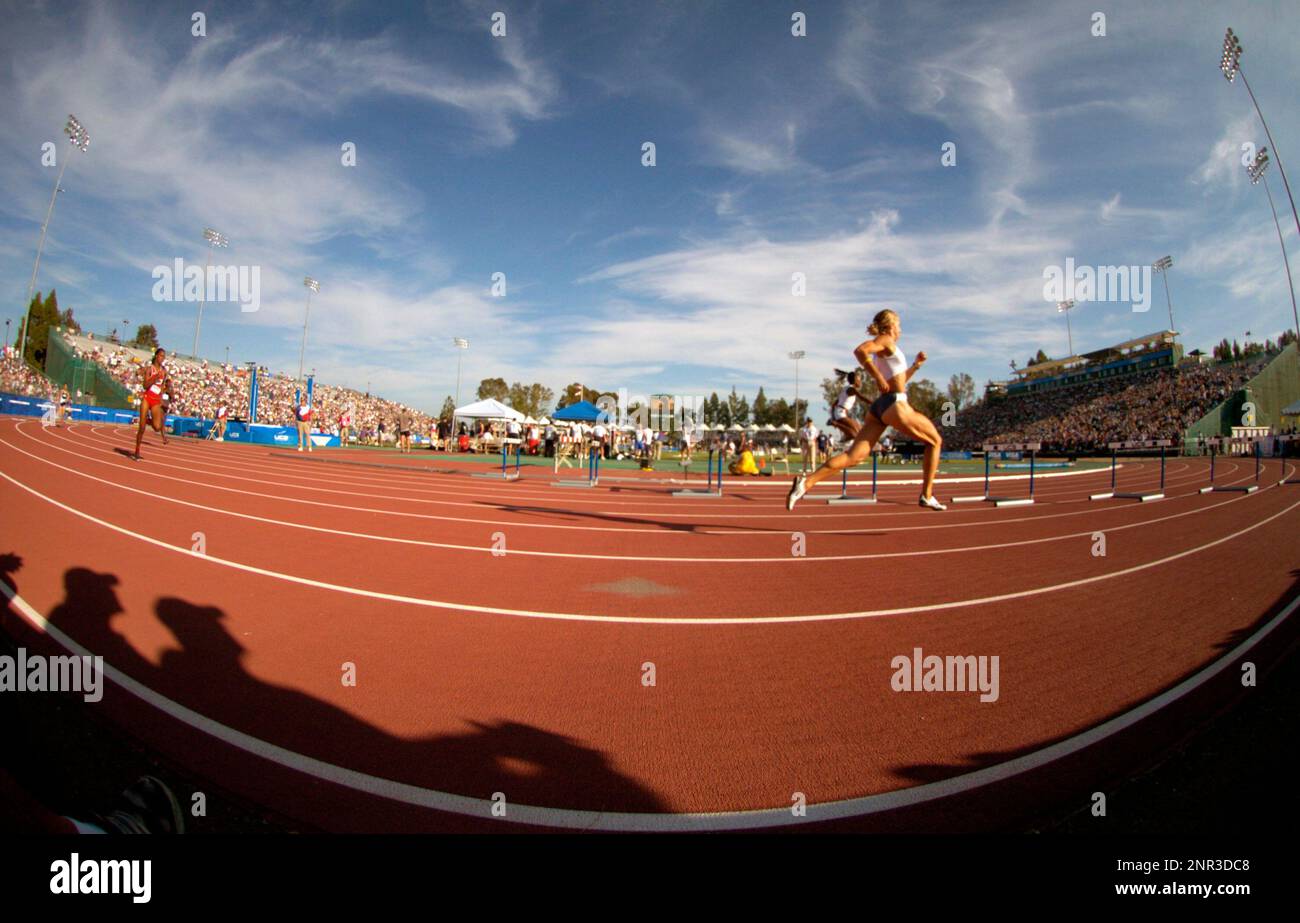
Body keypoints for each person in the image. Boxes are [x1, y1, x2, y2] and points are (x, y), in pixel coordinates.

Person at [788, 308, 947, 511]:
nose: (901, 330)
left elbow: (898, 381)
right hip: (895, 404)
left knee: (854, 457)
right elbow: (860, 351)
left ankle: (805, 483)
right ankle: (927, 495)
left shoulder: (887, 349)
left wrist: (915, 366)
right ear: (890, 326)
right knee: (935, 441)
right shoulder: (886, 340)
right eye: (899, 325)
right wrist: (877, 377)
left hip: (880, 407)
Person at [132, 348, 171, 461]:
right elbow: (145, 385)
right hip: (147, 398)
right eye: (160, 356)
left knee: (157, 427)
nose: (162, 358)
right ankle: (137, 451)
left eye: (163, 356)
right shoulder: (150, 369)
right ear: (156, 356)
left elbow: (162, 386)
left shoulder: (164, 372)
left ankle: (147, 420)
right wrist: (154, 378)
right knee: (142, 428)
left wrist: (161, 397)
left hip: (155, 401)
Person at [827, 368, 865, 443]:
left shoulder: (846, 389)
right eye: (859, 380)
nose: (860, 382)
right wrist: (874, 402)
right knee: (855, 434)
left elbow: (834, 404)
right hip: (840, 413)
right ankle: (835, 424)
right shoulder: (851, 389)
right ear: (855, 380)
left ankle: (845, 438)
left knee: (860, 431)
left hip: (840, 412)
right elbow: (862, 397)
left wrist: (833, 416)